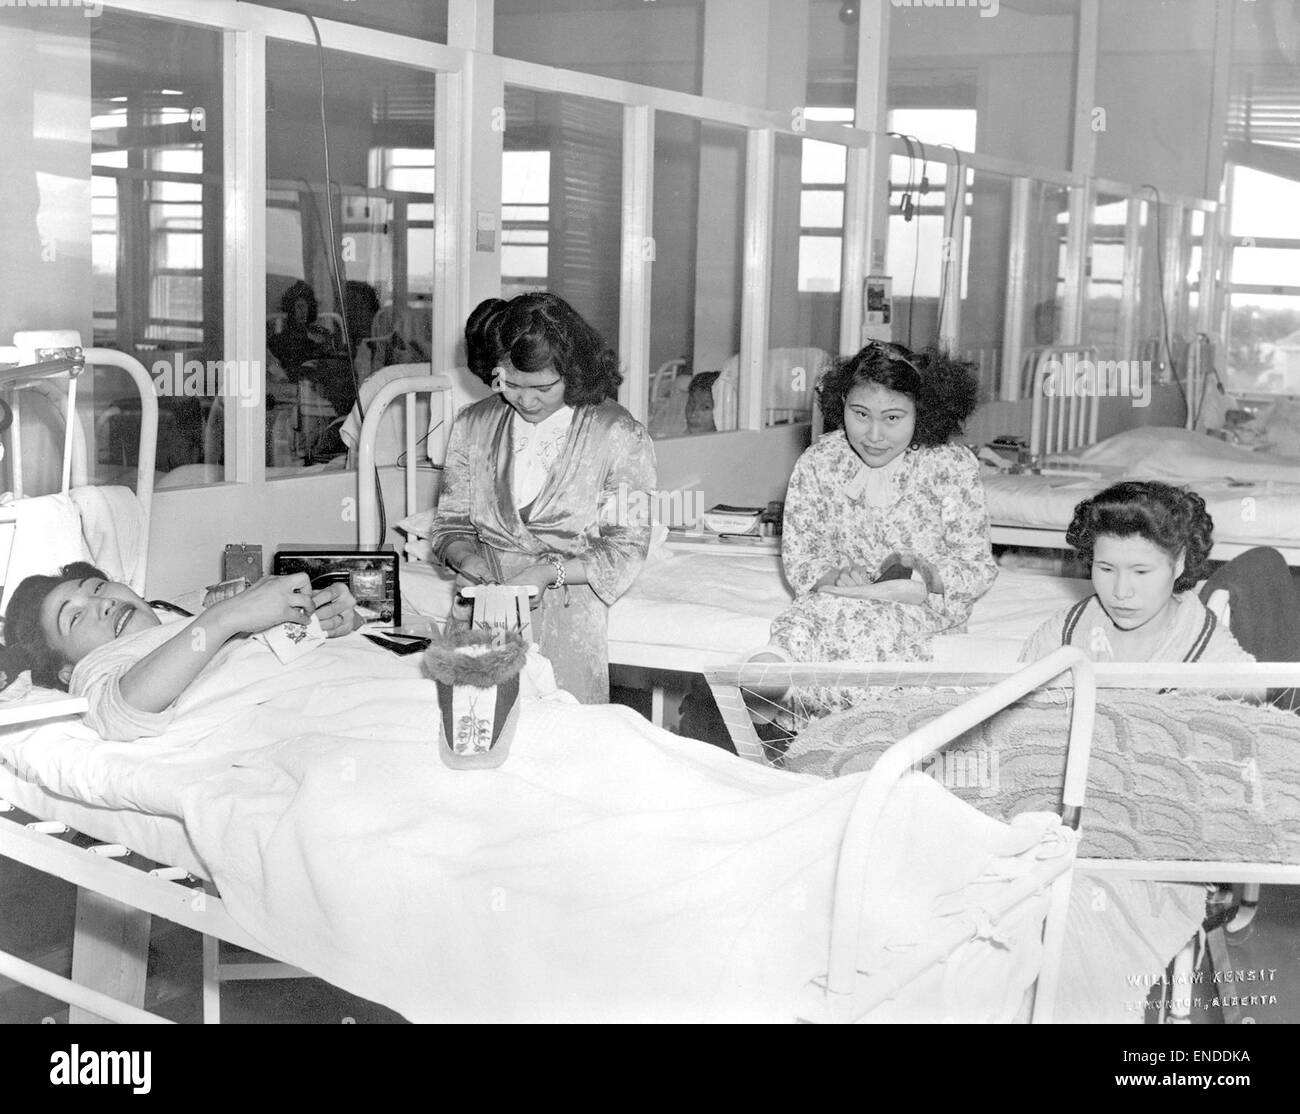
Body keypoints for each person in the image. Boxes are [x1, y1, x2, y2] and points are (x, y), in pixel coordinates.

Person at [403, 292, 657, 704]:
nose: (526, 400)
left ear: (572, 372)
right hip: (480, 613)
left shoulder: (618, 434)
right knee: (477, 733)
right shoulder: (474, 424)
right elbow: (450, 524)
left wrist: (545, 574)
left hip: (568, 615)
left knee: (559, 747)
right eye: (510, 384)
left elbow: (625, 548)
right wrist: (467, 560)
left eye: (542, 387)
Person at [748, 342, 996, 719]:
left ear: (921, 413)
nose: (874, 435)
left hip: (922, 601)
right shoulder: (820, 461)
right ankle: (772, 674)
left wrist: (924, 576)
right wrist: (835, 576)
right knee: (806, 616)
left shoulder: (950, 465)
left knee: (872, 626)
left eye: (893, 418)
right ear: (841, 403)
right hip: (845, 594)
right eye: (860, 414)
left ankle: (852, 731)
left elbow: (976, 566)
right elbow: (803, 557)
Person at [3, 563, 359, 742]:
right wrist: (229, 615)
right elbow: (120, 710)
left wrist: (335, 616)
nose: (104, 603)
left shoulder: (182, 613)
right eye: (75, 616)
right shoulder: (96, 669)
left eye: (97, 587)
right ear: (67, 670)